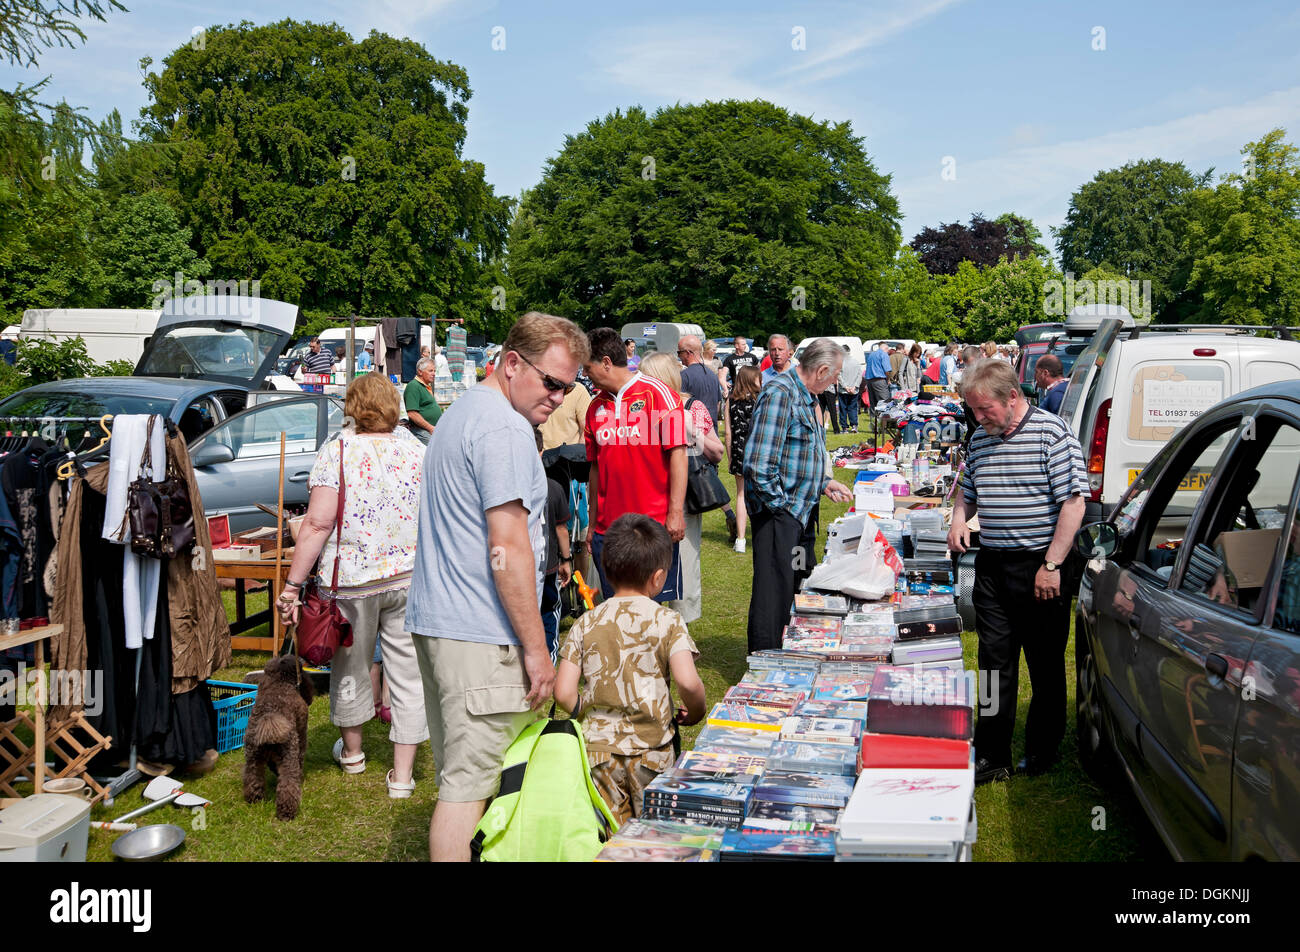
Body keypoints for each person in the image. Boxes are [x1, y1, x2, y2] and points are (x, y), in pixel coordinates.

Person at [405, 310, 588, 861]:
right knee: (471, 789)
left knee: (471, 781)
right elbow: (506, 547)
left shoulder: (466, 413)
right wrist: (537, 649)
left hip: (446, 624)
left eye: (568, 387)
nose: (558, 398)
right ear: (512, 363)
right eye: (552, 383)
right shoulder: (503, 428)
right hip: (481, 635)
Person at [276, 371, 429, 799]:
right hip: (408, 577)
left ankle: (354, 755)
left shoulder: (337, 451)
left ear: (352, 406)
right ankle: (402, 776)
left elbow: (319, 523)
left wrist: (292, 585)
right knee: (409, 674)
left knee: (351, 667)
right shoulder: (416, 450)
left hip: (352, 582)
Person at [946, 359, 1087, 784]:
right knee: (992, 666)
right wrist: (957, 519)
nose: (978, 417)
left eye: (984, 408)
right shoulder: (980, 438)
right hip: (993, 566)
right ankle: (993, 754)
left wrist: (1052, 564)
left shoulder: (1052, 434)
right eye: (972, 410)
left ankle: (1042, 752)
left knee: (1044, 666)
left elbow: (1074, 503)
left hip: (1041, 567)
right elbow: (966, 493)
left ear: (1012, 397)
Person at [554, 513, 706, 825]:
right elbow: (688, 683)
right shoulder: (668, 621)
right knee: (653, 833)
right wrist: (696, 711)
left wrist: (587, 712)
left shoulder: (586, 622)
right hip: (653, 750)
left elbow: (563, 692)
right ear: (659, 577)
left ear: (606, 570)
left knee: (609, 834)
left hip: (599, 755)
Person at [744, 339, 854, 652]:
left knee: (797, 584)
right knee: (773, 591)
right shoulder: (781, 393)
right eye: (835, 375)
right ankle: (764, 660)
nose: (836, 381)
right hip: (781, 514)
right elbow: (759, 464)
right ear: (821, 370)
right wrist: (783, 508)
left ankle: (789, 651)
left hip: (800, 514)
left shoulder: (807, 396)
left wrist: (822, 482)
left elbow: (799, 455)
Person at [583, 328, 687, 602]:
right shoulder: (595, 407)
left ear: (606, 362)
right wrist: (592, 524)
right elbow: (595, 468)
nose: (585, 375)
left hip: (650, 529)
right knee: (614, 612)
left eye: (588, 367)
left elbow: (678, 454)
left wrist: (675, 512)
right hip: (608, 532)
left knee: (647, 616)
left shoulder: (660, 395)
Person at [640, 351, 724, 625]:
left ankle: (680, 633)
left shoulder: (690, 408)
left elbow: (717, 452)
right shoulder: (639, 412)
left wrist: (693, 433)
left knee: (684, 567)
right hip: (648, 500)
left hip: (685, 501)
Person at [536, 428, 572, 662]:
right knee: (549, 612)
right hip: (547, 566)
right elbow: (561, 529)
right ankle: (549, 656)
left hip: (525, 567)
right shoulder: (553, 487)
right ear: (541, 452)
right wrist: (566, 559)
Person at [726, 365, 761, 553]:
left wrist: (730, 456)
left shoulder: (730, 400)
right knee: (759, 494)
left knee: (741, 495)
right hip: (758, 451)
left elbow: (728, 432)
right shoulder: (760, 400)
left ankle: (740, 540)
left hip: (739, 450)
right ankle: (758, 535)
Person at [678, 335, 723, 426]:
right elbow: (717, 405)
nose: (678, 356)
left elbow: (679, 407)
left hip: (694, 435)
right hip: (712, 433)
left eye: (679, 352)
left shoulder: (684, 376)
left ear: (688, 353)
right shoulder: (712, 375)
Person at [403, 357, 442, 444]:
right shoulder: (413, 386)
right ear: (420, 372)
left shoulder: (425, 386)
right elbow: (412, 414)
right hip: (421, 431)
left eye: (434, 371)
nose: (434, 374)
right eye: (430, 371)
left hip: (430, 430)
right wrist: (430, 428)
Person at [835, 344, 861, 434]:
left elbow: (839, 376)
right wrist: (855, 386)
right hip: (853, 390)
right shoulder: (856, 362)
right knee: (853, 408)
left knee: (843, 409)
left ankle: (844, 427)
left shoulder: (840, 362)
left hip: (843, 390)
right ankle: (854, 426)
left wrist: (845, 387)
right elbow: (859, 376)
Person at [863, 341, 892, 410]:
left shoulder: (871, 355)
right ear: (886, 348)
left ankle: (873, 419)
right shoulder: (884, 354)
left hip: (869, 381)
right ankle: (883, 419)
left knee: (873, 402)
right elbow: (887, 370)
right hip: (879, 380)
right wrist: (888, 380)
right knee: (884, 401)